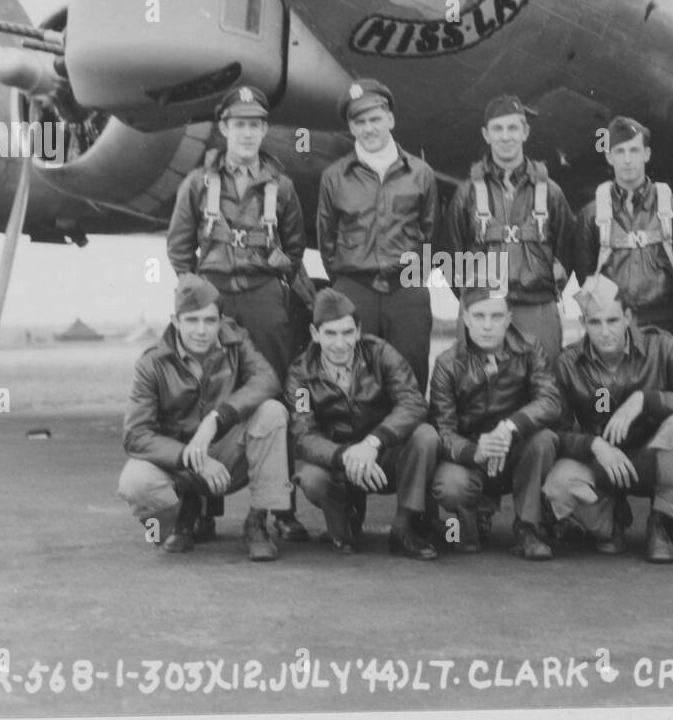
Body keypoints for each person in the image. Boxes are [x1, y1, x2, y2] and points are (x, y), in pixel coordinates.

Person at [166, 83, 312, 542]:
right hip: (215, 299)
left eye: (255, 125)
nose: (247, 133)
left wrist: (278, 270)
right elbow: (178, 249)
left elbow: (295, 248)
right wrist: (199, 299)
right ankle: (198, 508)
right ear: (224, 128)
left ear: (264, 130)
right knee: (199, 393)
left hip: (265, 298)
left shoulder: (282, 187)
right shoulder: (196, 184)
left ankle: (278, 507)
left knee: (276, 395)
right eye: (239, 125)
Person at [117, 275, 291, 561]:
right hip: (181, 463)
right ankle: (182, 516)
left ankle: (258, 520)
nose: (202, 330)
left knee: (272, 412)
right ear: (176, 321)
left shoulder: (235, 340)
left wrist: (216, 419)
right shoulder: (151, 363)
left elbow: (267, 380)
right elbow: (136, 436)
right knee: (134, 482)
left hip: (228, 455)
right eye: (192, 320)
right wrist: (190, 456)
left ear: (220, 321)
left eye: (210, 321)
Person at [544, 275, 673, 562]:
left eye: (612, 321)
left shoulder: (662, 346)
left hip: (653, 456)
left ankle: (664, 524)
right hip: (604, 462)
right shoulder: (568, 363)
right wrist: (594, 445)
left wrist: (645, 400)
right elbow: (555, 431)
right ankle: (610, 523)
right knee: (558, 485)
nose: (605, 331)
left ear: (628, 318)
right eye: (595, 323)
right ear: (584, 324)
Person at [285, 288, 440, 560]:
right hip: (341, 463)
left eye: (347, 333)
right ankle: (346, 521)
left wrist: (373, 443)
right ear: (314, 333)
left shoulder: (381, 353)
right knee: (312, 478)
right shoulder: (300, 376)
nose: (340, 343)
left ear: (358, 331)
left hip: (383, 456)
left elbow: (413, 403)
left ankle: (404, 527)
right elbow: (303, 435)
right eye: (330, 334)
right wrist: (346, 456)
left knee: (425, 436)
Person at [317, 79, 439, 390]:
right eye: (360, 122)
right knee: (356, 377)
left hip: (406, 288)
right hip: (355, 287)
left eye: (375, 119)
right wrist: (347, 282)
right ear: (351, 127)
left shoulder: (420, 172)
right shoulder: (334, 177)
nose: (369, 128)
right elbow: (326, 239)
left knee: (410, 375)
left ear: (390, 120)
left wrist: (412, 278)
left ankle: (412, 437)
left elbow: (428, 230)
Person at [428, 283, 564, 561]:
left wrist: (510, 427)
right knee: (449, 485)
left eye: (496, 316)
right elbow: (442, 429)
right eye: (479, 317)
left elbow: (551, 401)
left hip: (514, 451)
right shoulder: (447, 363)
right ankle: (471, 520)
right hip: (472, 458)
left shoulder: (529, 349)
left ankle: (528, 528)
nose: (487, 326)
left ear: (509, 318)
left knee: (545, 440)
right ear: (465, 318)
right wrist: (474, 451)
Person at [442, 95, 574, 362]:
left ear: (525, 132)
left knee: (546, 386)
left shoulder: (551, 193)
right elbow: (451, 257)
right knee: (479, 390)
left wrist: (541, 287)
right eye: (498, 129)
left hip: (536, 308)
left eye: (513, 128)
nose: (505, 137)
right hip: (483, 310)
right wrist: (476, 301)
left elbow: (566, 254)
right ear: (486, 135)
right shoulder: (466, 194)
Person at [573, 116, 673, 337]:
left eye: (634, 151)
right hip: (616, 328)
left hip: (665, 327)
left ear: (646, 154)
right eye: (620, 151)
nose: (627, 160)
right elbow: (585, 277)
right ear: (609, 156)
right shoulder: (591, 214)